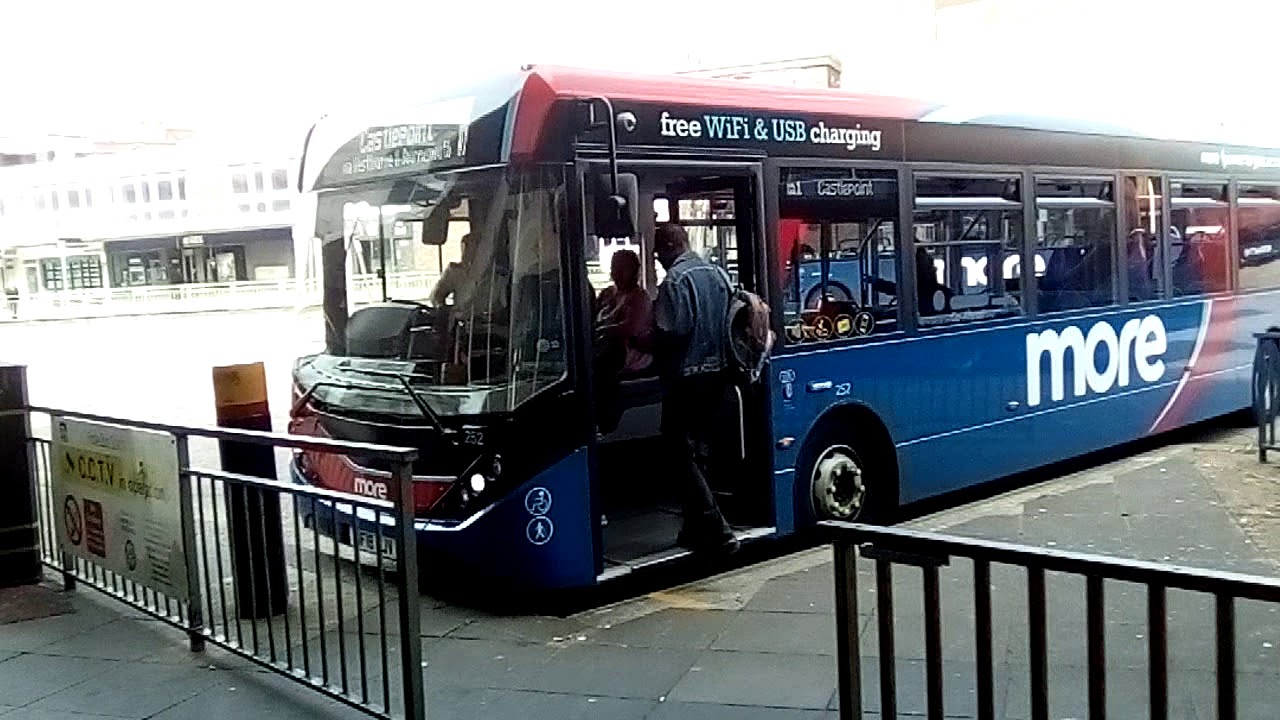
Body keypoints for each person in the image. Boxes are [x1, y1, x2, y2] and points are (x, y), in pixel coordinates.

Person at [652, 223, 739, 554]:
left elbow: (674, 331)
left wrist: (650, 339)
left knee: (677, 452)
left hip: (686, 377)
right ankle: (694, 527)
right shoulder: (718, 274)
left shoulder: (675, 281)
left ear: (672, 245)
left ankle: (717, 528)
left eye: (659, 252)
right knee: (700, 452)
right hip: (719, 376)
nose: (659, 259)